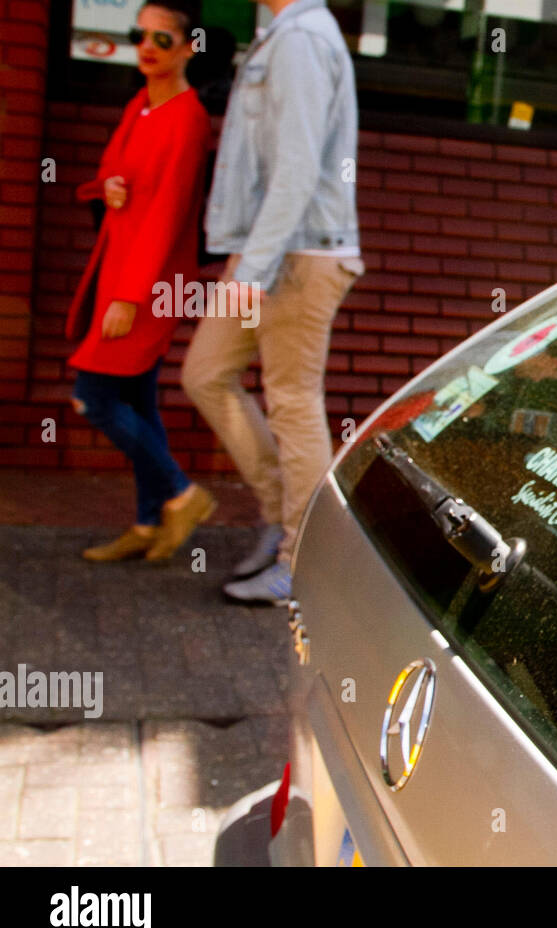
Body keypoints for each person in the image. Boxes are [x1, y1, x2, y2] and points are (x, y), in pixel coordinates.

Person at [182, 0, 363, 605]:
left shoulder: (303, 39)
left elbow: (297, 167)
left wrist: (251, 269)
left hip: (301, 255)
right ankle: (278, 515)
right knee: (206, 373)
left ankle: (303, 561)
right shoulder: (280, 36)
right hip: (266, 250)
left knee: (292, 400)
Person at [67, 0, 215, 564]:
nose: (147, 47)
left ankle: (183, 492)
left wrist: (130, 298)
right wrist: (111, 188)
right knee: (138, 401)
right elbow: (114, 172)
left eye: (162, 38)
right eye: (139, 36)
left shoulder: (187, 115)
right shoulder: (140, 106)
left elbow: (169, 213)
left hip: (148, 284)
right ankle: (149, 523)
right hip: (119, 271)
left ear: (186, 47)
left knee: (92, 397)